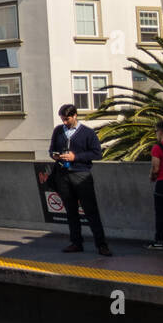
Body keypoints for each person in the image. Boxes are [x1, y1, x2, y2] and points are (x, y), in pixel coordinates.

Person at [48, 103, 111, 256]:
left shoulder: (87, 133)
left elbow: (97, 153)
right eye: (62, 119)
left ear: (75, 116)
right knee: (71, 211)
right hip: (62, 174)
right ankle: (76, 242)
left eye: (67, 119)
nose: (64, 122)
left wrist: (76, 157)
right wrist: (55, 155)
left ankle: (101, 244)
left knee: (90, 211)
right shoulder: (58, 131)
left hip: (81, 174)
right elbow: (51, 149)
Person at [147, 120, 163, 251]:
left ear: (160, 132)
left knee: (161, 214)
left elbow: (155, 168)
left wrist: (152, 177)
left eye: (156, 132)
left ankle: (159, 241)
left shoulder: (157, 148)